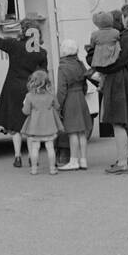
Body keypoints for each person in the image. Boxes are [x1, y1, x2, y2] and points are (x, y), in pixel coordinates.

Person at [0, 14, 49, 168]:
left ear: (23, 31)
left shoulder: (14, 45)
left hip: (12, 88)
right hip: (30, 90)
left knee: (14, 125)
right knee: (30, 123)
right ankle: (33, 157)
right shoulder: (41, 52)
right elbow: (43, 74)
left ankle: (18, 157)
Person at [92, 4, 128, 174]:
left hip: (123, 86)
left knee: (119, 124)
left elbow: (115, 62)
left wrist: (98, 66)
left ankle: (122, 162)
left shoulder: (127, 38)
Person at [55, 40, 93, 171]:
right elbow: (85, 84)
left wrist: (58, 106)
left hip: (70, 99)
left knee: (72, 132)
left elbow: (61, 89)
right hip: (80, 98)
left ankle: (73, 160)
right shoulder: (80, 64)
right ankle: (83, 160)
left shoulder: (63, 67)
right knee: (82, 132)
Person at [21, 67, 60, 175]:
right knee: (50, 147)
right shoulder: (51, 95)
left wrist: (25, 105)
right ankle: (52, 168)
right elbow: (57, 106)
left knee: (35, 148)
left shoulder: (29, 96)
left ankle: (34, 169)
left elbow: (26, 111)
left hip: (35, 127)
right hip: (49, 125)